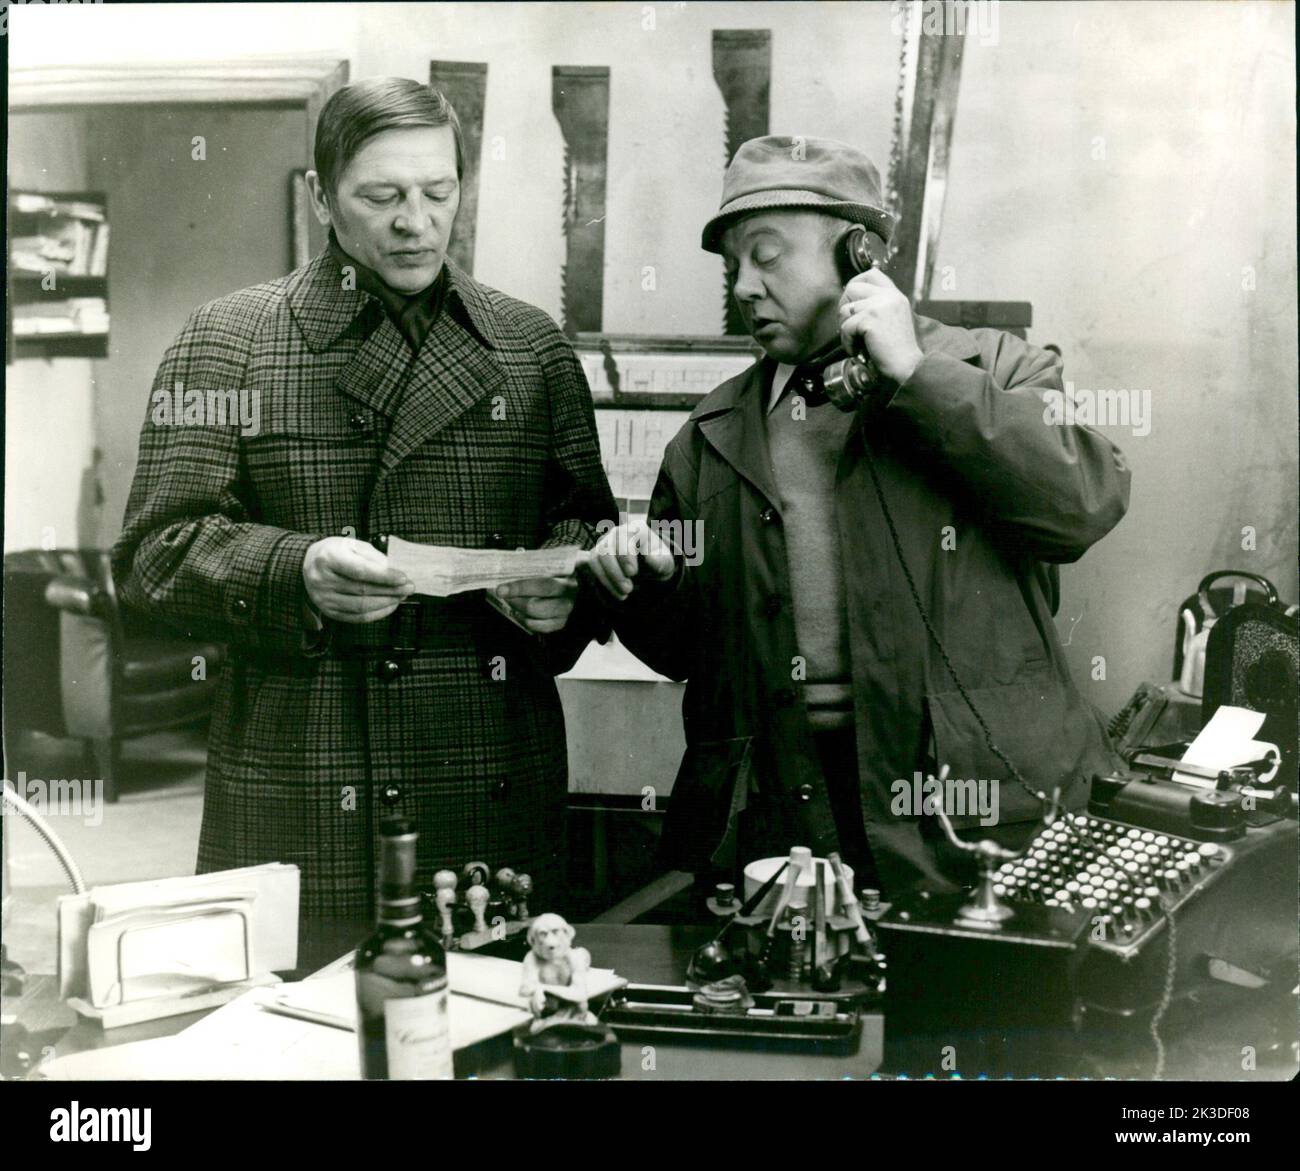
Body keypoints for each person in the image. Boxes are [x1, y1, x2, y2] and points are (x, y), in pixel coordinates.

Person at [112, 78, 616, 922]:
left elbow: (584, 525)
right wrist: (293, 568)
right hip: (302, 775)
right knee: (304, 1039)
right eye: (380, 195)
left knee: (488, 1027)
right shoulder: (225, 340)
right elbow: (150, 561)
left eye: (437, 191)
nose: (414, 221)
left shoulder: (531, 347)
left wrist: (566, 587)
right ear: (320, 197)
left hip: (488, 767)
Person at [584, 135, 1131, 898]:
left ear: (858, 255)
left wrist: (918, 376)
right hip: (785, 819)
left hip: (969, 822)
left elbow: (1083, 501)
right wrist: (649, 583)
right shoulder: (711, 437)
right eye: (733, 265)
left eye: (768, 256)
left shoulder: (992, 369)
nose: (743, 287)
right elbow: (686, 654)